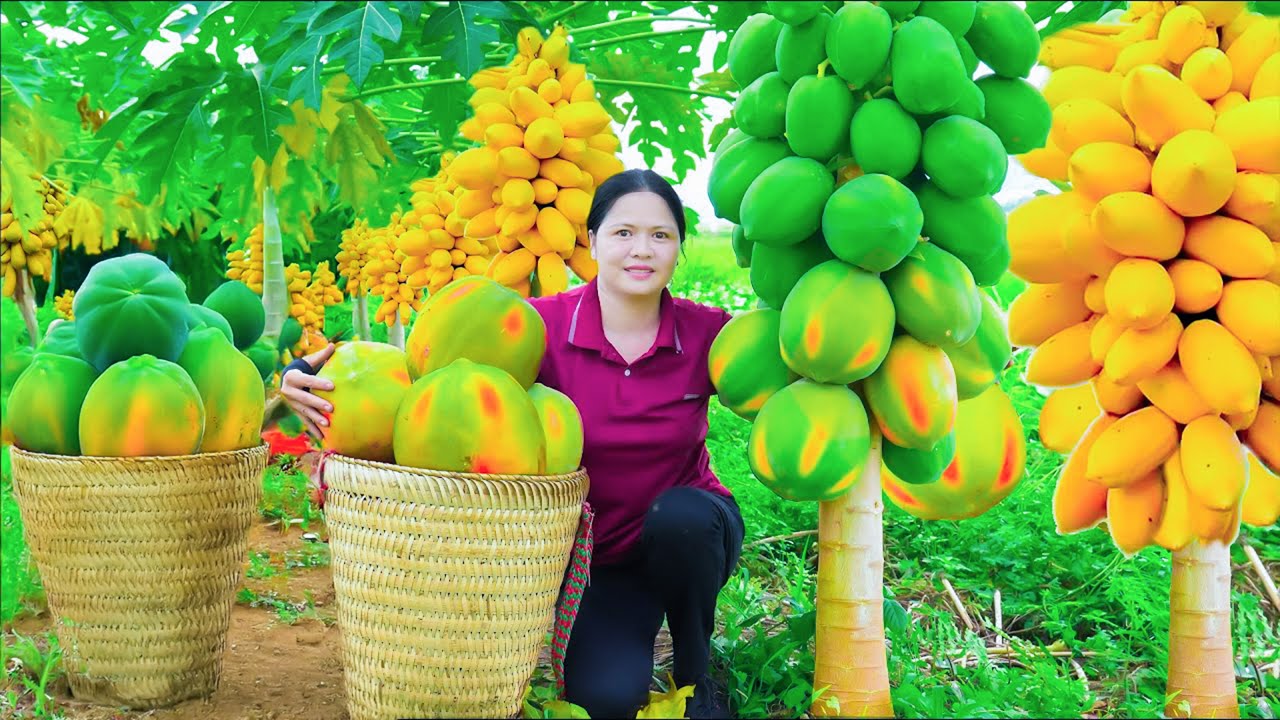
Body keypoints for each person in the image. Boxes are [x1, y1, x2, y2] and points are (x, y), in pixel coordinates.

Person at [280, 169, 744, 719]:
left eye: (660, 235)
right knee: (604, 701)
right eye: (623, 232)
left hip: (691, 530)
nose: (641, 249)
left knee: (681, 519)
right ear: (593, 241)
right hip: (602, 557)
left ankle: (696, 673)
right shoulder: (540, 328)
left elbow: (776, 367)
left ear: (679, 248)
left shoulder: (707, 332)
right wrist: (299, 374)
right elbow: (426, 371)